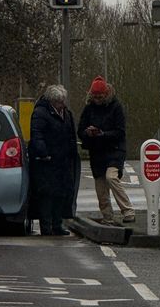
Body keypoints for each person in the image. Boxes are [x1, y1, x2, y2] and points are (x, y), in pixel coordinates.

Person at [78, 76, 135, 225]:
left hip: (114, 149)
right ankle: (107, 216)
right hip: (97, 151)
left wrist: (102, 134)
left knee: (111, 177)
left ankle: (128, 210)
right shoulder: (88, 108)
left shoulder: (116, 107)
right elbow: (80, 130)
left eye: (100, 96)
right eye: (95, 96)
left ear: (106, 94)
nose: (97, 99)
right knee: (100, 186)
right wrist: (87, 133)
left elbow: (120, 132)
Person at [29, 84, 79, 235]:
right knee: (46, 194)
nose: (62, 104)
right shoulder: (40, 113)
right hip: (46, 161)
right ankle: (46, 226)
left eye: (63, 101)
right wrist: (43, 153)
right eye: (59, 101)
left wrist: (71, 152)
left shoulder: (66, 114)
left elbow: (71, 135)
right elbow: (37, 135)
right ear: (52, 101)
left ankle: (57, 225)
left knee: (61, 194)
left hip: (62, 160)